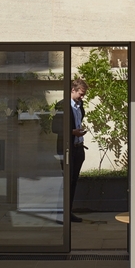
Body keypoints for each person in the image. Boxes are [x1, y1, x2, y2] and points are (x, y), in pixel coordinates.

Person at [54, 79, 88, 223]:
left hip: (78, 149)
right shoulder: (62, 105)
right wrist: (72, 132)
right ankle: (60, 214)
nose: (82, 97)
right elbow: (55, 128)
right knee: (67, 181)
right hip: (68, 149)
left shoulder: (80, 106)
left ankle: (69, 212)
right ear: (73, 90)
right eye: (81, 94)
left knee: (73, 182)